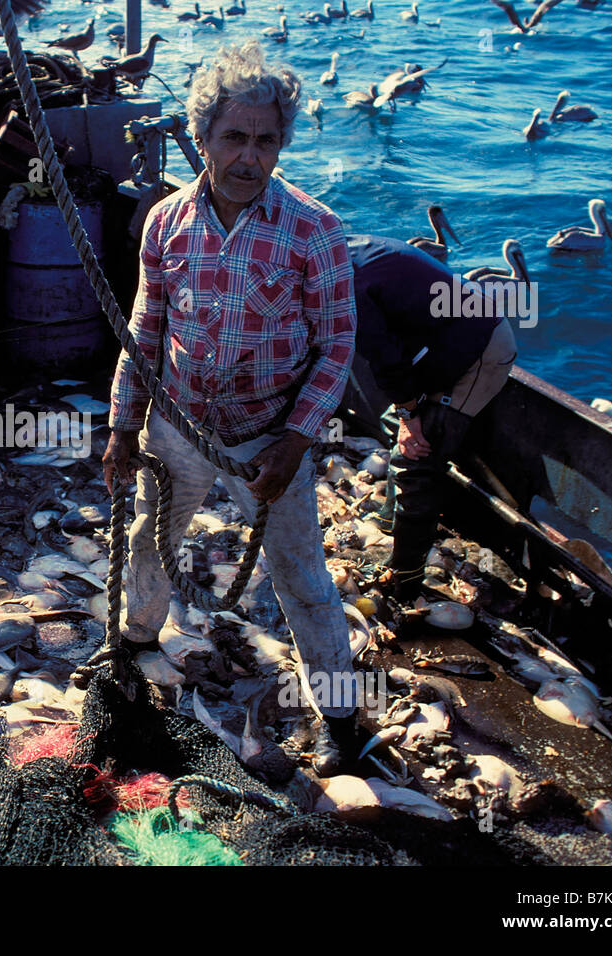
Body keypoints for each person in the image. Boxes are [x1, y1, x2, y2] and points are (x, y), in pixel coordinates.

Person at [103, 41, 361, 776]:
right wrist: (123, 425)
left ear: (281, 144)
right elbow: (145, 329)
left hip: (268, 435)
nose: (250, 158)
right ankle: (135, 644)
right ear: (204, 137)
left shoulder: (314, 229)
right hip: (179, 424)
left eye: (266, 141)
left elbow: (337, 348)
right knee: (149, 541)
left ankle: (342, 714)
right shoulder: (166, 222)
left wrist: (295, 441)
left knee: (302, 578)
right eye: (234, 138)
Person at [346, 234, 517, 598]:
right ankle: (390, 520)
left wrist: (411, 417)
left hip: (480, 346)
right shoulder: (343, 249)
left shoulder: (346, 285)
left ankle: (405, 576)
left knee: (419, 453)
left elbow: (384, 358)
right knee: (397, 422)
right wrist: (405, 413)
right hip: (440, 344)